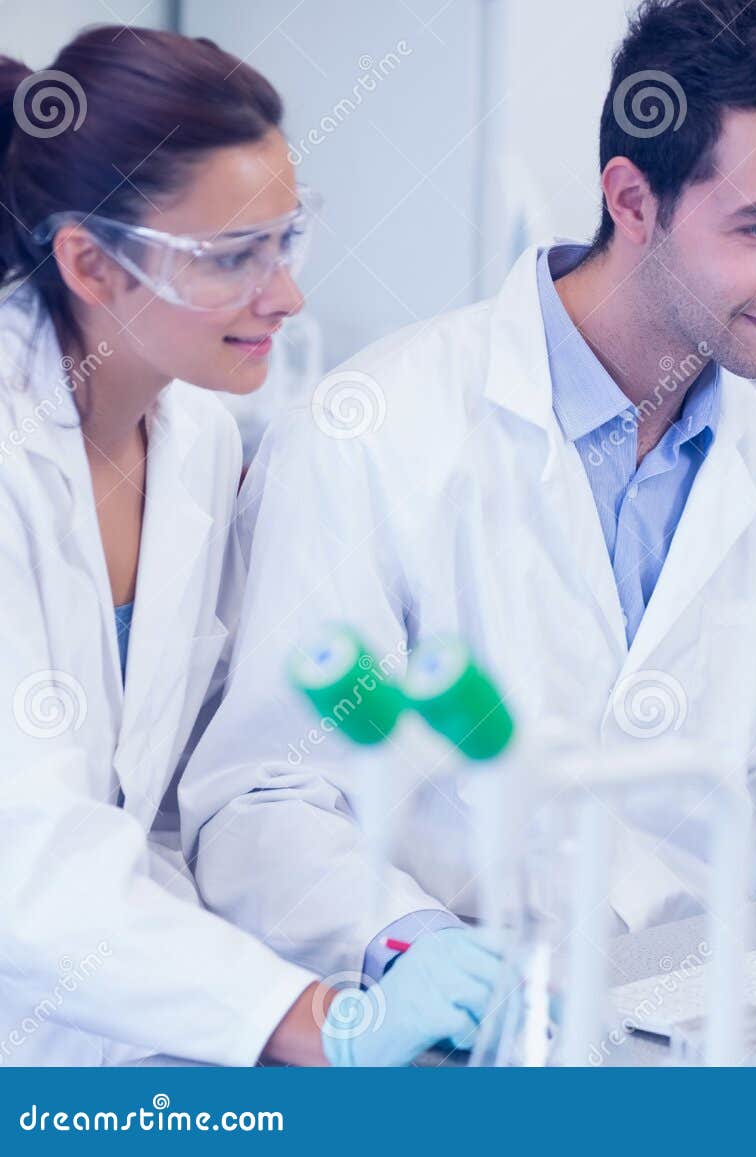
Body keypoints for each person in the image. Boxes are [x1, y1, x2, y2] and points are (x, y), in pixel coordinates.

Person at [180, 0, 756, 981]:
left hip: (673, 1000)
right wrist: (410, 942)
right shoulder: (372, 430)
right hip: (457, 1020)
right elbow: (264, 800)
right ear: (632, 199)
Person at [0, 28, 501, 1067]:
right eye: (232, 257)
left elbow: (197, 798)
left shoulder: (198, 444)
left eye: (286, 240)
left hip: (123, 1032)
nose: (286, 294)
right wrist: (311, 1018)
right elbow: (26, 862)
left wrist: (392, 936)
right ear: (90, 261)